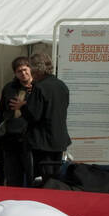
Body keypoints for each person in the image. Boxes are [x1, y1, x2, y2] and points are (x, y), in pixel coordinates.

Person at [26, 51, 71, 182]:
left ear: (36, 69)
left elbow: (34, 115)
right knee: (55, 177)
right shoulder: (62, 85)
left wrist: (23, 106)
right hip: (59, 138)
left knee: (42, 178)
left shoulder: (40, 87)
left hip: (42, 140)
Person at [0, 56, 36, 187]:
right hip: (10, 138)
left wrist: (25, 105)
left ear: (30, 69)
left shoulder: (38, 88)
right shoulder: (9, 88)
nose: (23, 73)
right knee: (13, 177)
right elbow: (1, 111)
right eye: (19, 71)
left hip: (30, 139)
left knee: (32, 177)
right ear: (15, 73)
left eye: (25, 70)